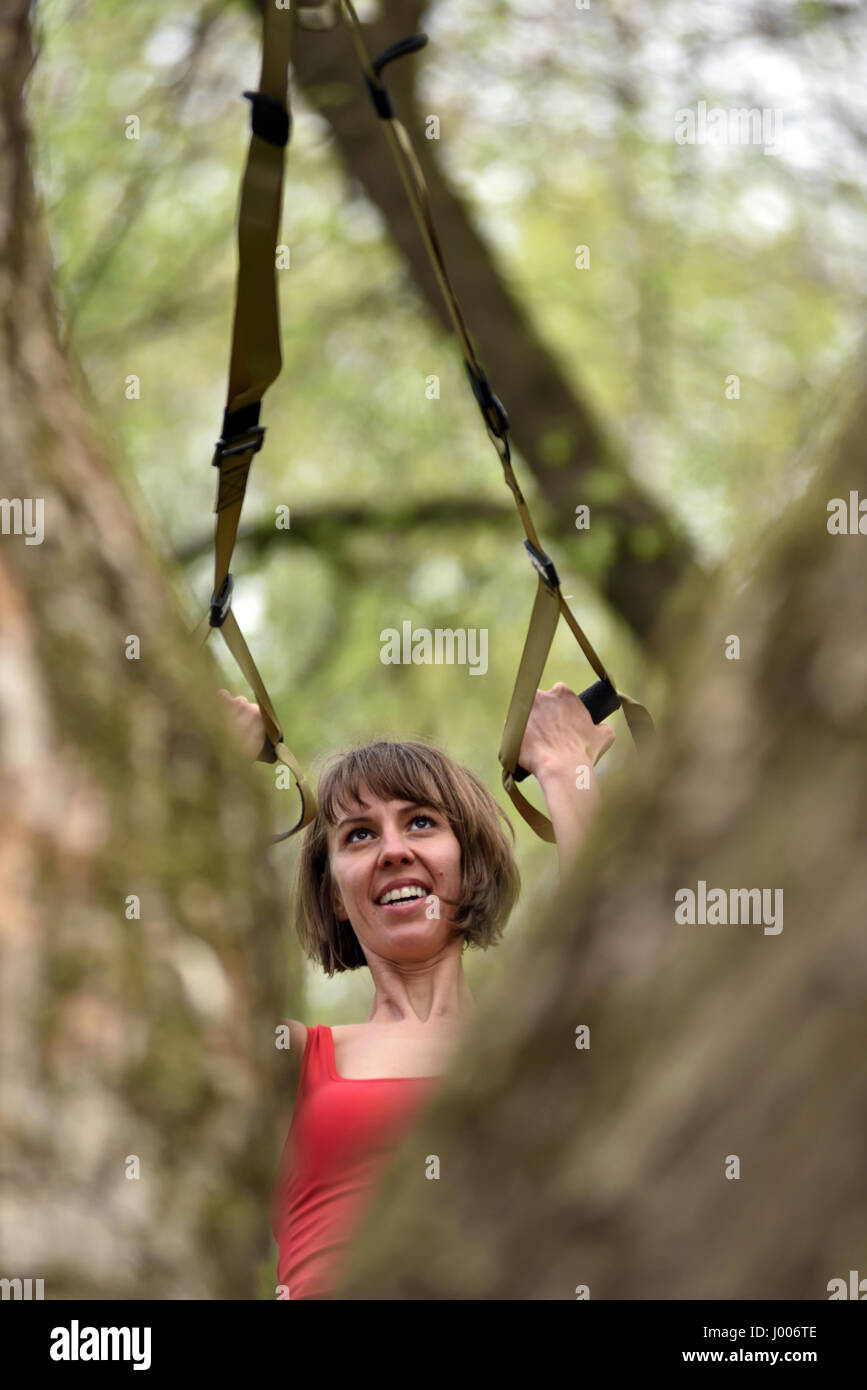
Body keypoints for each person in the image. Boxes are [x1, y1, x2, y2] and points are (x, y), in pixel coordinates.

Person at [219, 683, 614, 1298]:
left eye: (421, 823)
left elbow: (615, 949)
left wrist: (563, 765)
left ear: (467, 862)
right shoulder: (293, 1059)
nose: (394, 851)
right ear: (333, 895)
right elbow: (148, 989)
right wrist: (208, 774)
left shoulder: (543, 1043)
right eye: (358, 835)